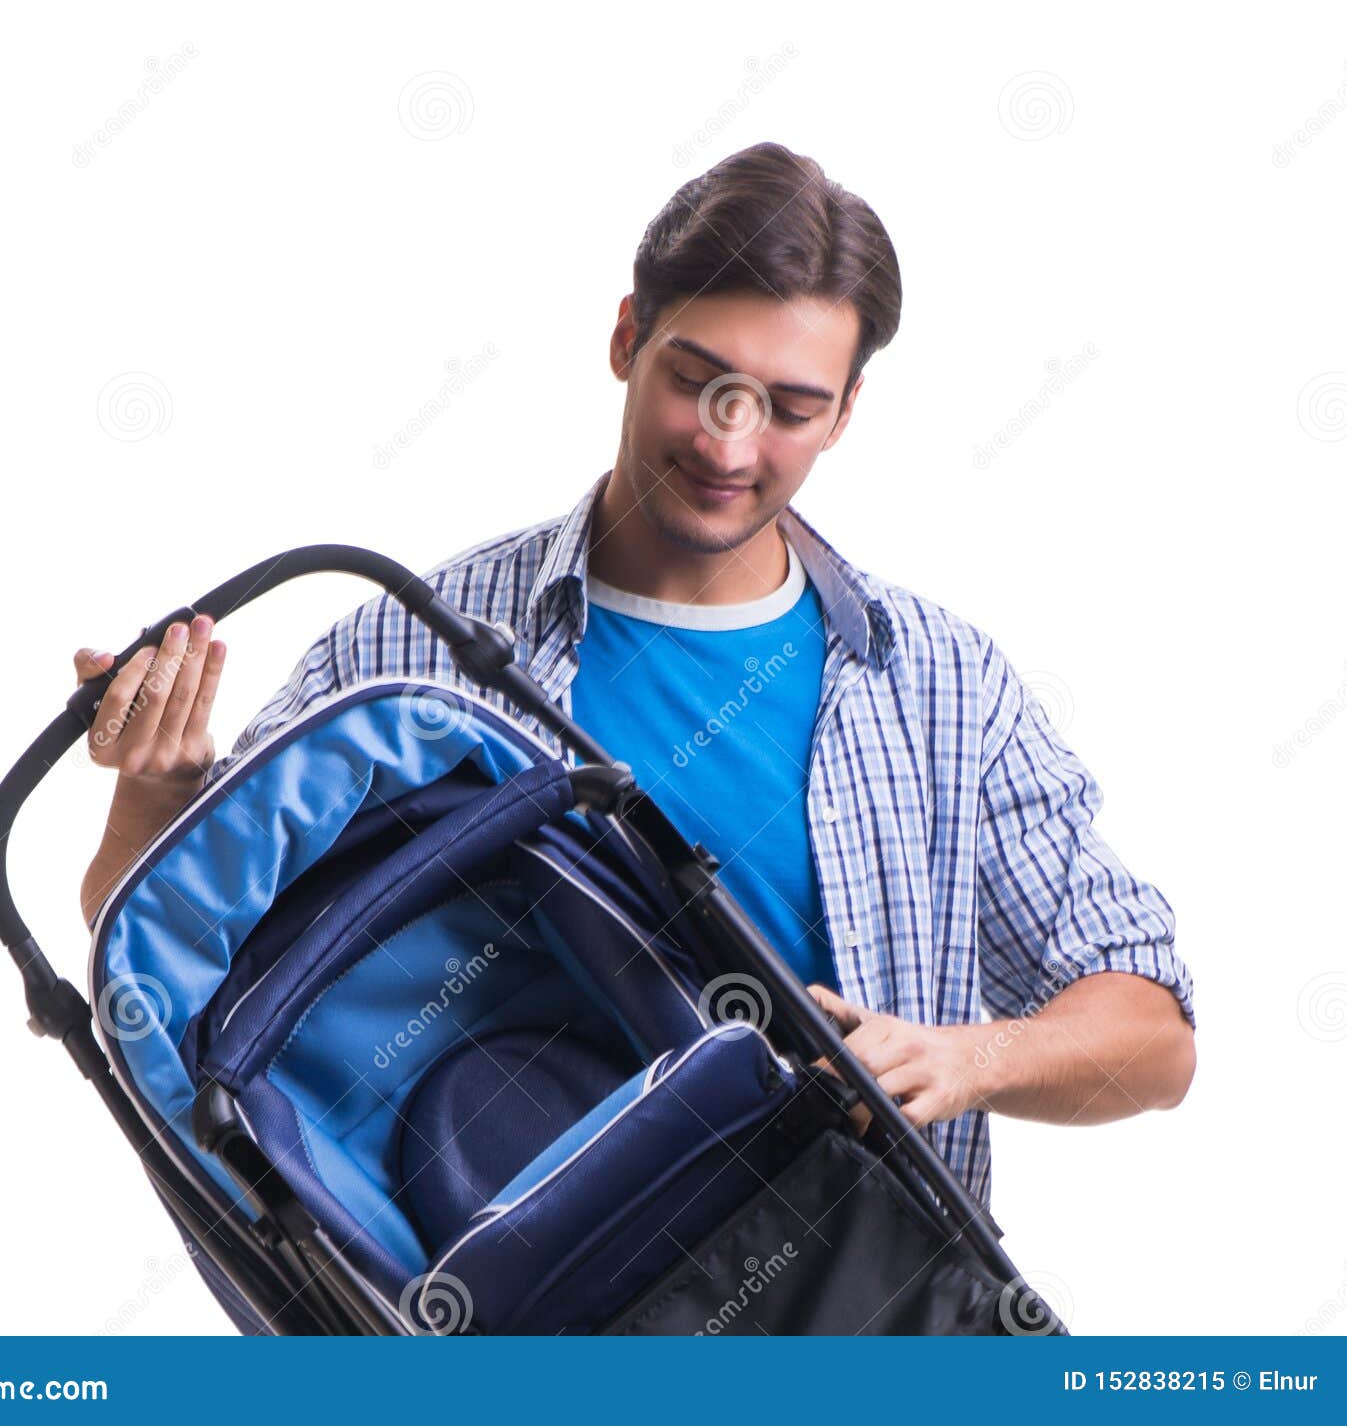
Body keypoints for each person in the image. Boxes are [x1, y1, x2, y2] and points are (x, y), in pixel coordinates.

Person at [73, 140, 1195, 1209]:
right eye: (695, 379)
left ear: (845, 413)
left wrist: (969, 1058)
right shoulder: (408, 653)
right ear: (625, 338)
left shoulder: (940, 685)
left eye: (791, 407)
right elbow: (166, 966)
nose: (728, 441)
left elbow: (1152, 1035)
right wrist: (158, 791)